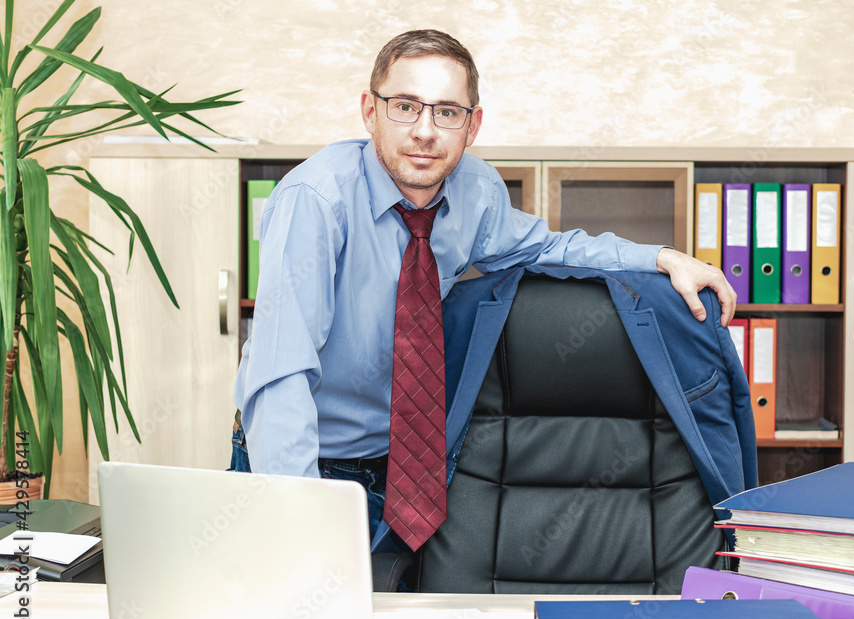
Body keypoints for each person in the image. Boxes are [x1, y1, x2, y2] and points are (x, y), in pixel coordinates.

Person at [232, 29, 736, 542]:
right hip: (308, 464)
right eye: (405, 106)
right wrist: (296, 515)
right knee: (298, 618)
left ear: (472, 125)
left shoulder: (476, 189)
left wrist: (660, 257)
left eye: (447, 112)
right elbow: (281, 378)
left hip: (412, 469)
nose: (425, 131)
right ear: (370, 111)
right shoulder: (315, 202)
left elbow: (546, 248)